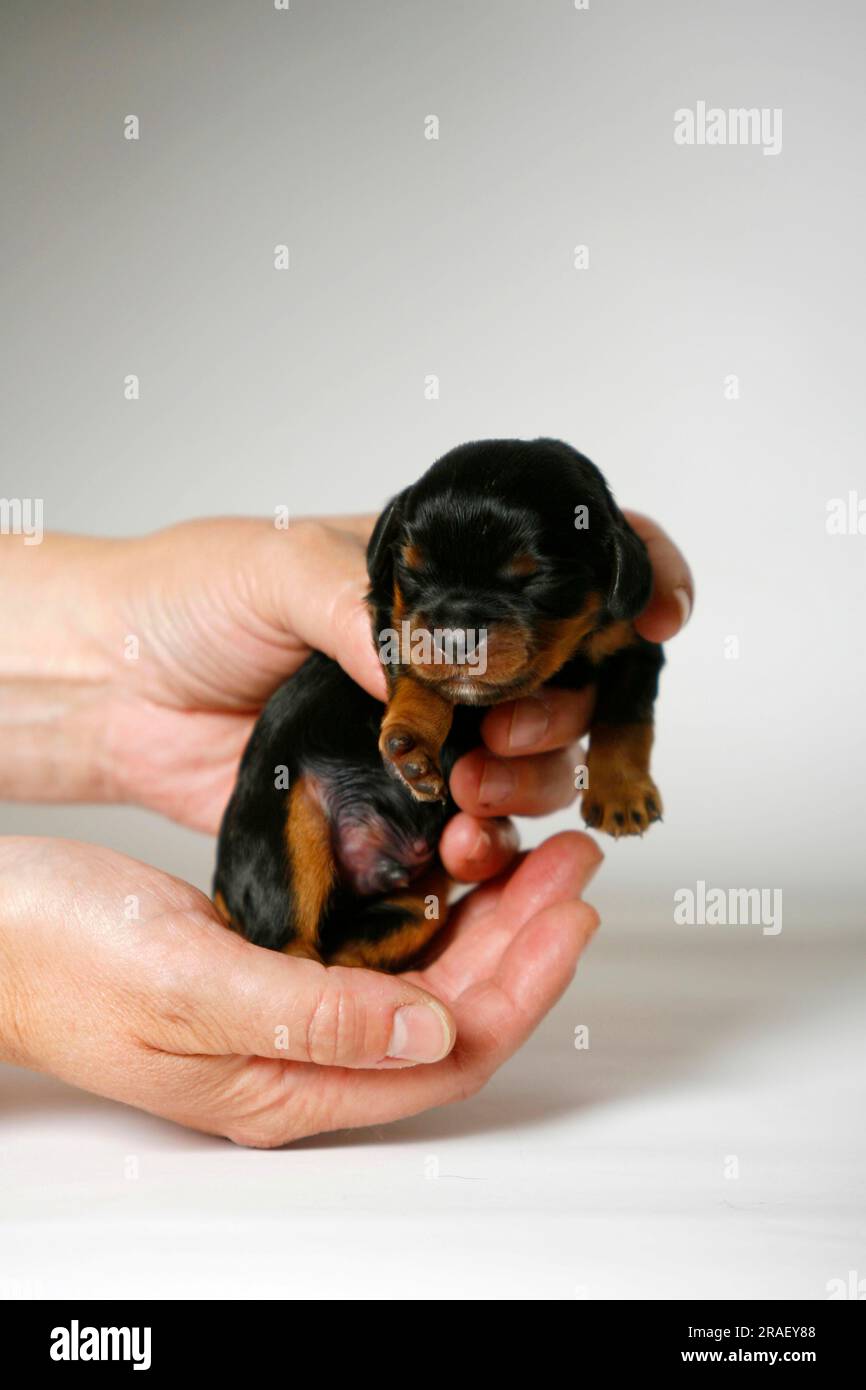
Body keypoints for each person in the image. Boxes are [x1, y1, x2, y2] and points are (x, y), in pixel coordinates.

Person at [0, 513, 692, 1146]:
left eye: (529, 585)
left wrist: (619, 767)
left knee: (428, 896)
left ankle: (348, 970)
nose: (458, 635)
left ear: (615, 570)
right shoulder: (391, 624)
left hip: (414, 853)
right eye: (418, 578)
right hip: (318, 781)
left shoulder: (611, 617)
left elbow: (633, 667)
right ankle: (289, 965)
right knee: (303, 892)